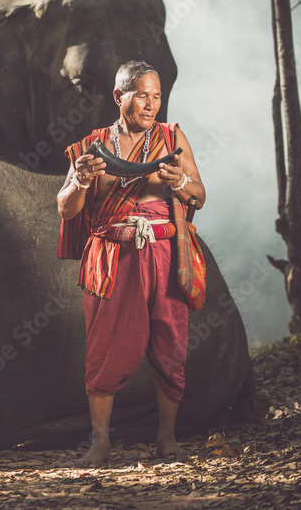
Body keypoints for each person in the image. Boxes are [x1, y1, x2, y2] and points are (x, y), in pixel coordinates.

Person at [56, 60, 205, 467]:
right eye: (142, 95)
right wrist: (82, 180)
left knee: (170, 345)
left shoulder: (172, 138)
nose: (151, 104)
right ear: (119, 96)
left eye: (157, 96)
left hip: (164, 257)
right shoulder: (94, 146)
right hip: (112, 259)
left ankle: (167, 438)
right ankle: (100, 442)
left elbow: (199, 195)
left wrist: (178, 182)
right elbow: (65, 209)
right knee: (104, 348)